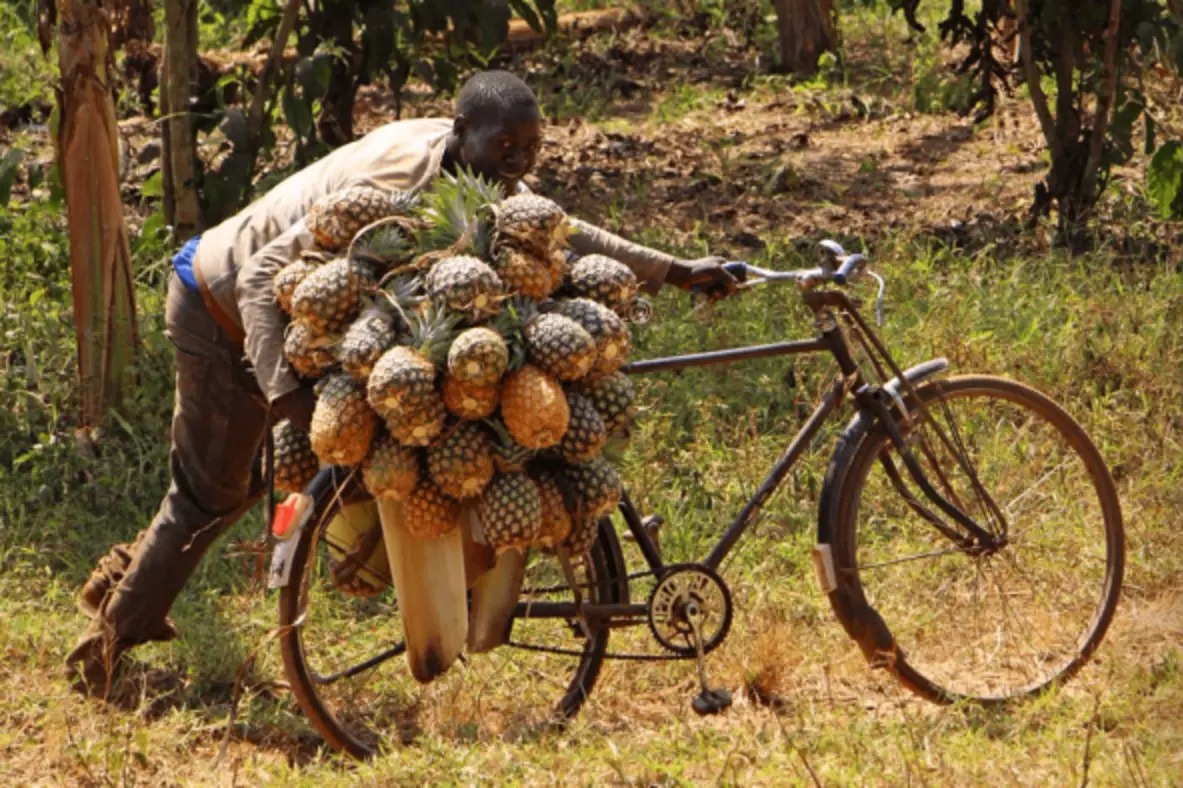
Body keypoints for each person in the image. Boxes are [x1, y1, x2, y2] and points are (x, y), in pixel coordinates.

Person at [66, 69, 738, 697]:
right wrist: (282, 395)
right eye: (505, 144)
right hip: (220, 302)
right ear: (461, 129)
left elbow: (560, 228)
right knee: (211, 491)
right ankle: (104, 650)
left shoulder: (472, 166)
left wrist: (675, 270)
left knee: (241, 480)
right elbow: (257, 276)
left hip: (285, 314)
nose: (519, 158)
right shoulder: (401, 182)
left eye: (531, 145)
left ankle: (126, 588)